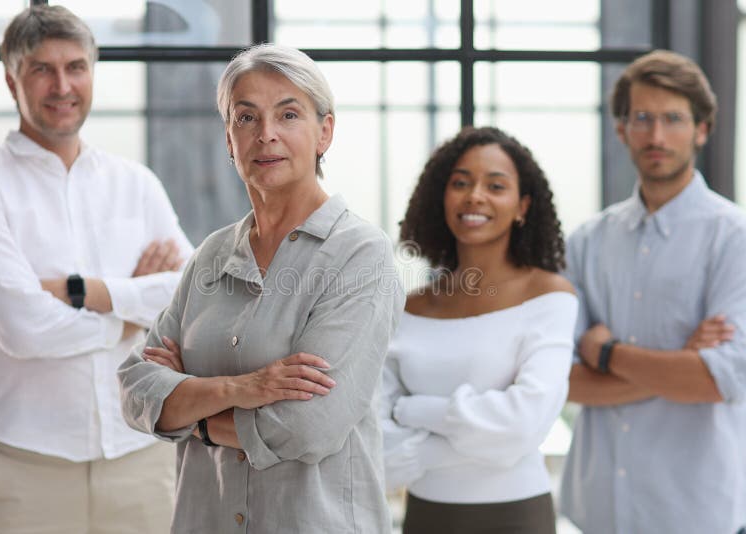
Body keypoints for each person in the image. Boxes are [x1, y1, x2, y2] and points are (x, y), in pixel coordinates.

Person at [117, 43, 404, 534]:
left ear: (324, 132)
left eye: (288, 114)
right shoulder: (210, 256)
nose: (266, 135)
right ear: (229, 139)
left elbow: (308, 427)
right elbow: (137, 391)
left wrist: (193, 411)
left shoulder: (360, 255)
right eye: (246, 118)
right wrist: (244, 389)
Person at [0, 6, 194, 533]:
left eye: (76, 67)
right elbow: (24, 329)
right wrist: (132, 316)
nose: (63, 85)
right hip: (23, 466)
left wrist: (88, 293)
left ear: (93, 72)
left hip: (141, 459)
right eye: (43, 69)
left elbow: (192, 295)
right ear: (12, 80)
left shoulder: (137, 183)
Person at [560, 49, 746, 534]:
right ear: (621, 129)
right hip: (597, 511)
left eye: (673, 119)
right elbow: (563, 380)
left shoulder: (735, 238)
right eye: (642, 118)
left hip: (696, 511)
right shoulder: (587, 241)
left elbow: (719, 381)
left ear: (701, 130)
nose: (656, 136)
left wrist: (607, 352)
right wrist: (678, 361)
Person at [381, 126, 577, 533]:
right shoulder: (409, 307)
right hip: (425, 516)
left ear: (522, 206)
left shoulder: (550, 296)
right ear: (443, 198)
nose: (475, 196)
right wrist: (486, 439)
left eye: (496, 185)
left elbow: (524, 425)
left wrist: (416, 411)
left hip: (516, 516)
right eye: (461, 183)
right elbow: (375, 439)